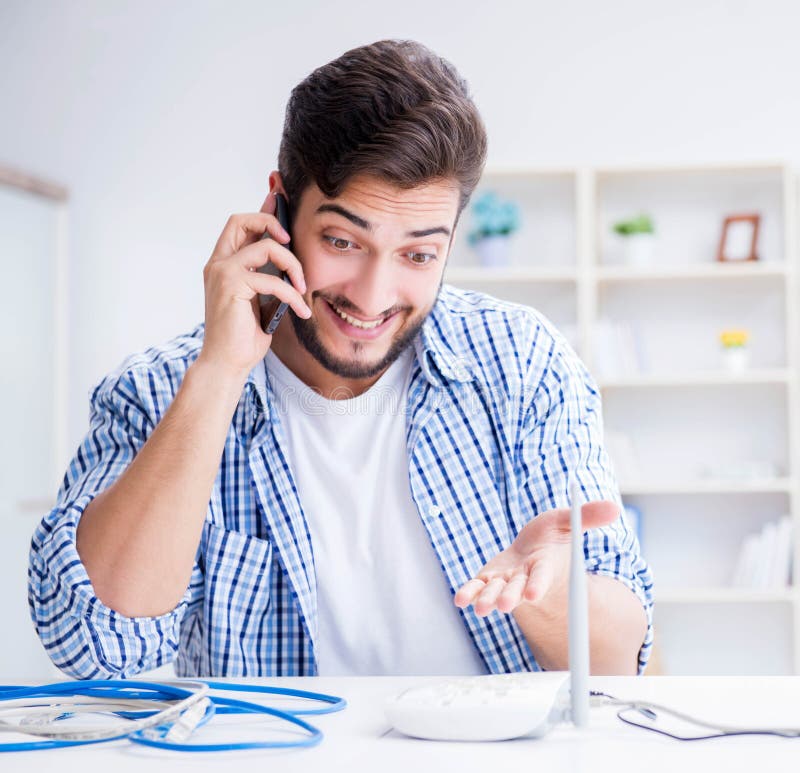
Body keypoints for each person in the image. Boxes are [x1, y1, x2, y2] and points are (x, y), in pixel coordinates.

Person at [28, 39, 653, 679]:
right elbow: (92, 646)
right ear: (278, 210)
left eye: (418, 254)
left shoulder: (521, 362)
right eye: (342, 240)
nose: (373, 297)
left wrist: (538, 594)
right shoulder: (156, 390)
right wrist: (219, 375)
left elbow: (621, 664)